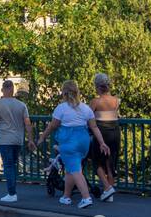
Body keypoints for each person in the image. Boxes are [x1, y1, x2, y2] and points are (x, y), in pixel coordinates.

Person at [38, 80, 110, 209]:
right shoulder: (85, 108)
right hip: (83, 141)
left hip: (68, 141)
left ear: (64, 93)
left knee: (76, 170)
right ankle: (66, 196)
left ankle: (86, 197)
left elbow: (52, 126)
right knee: (71, 168)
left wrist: (42, 137)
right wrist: (102, 143)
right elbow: (94, 127)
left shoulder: (61, 108)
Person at [0, 79, 36, 202]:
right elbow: (27, 123)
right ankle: (12, 190)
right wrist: (30, 140)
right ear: (13, 90)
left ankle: (12, 193)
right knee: (13, 165)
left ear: (3, 90)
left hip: (5, 140)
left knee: (8, 166)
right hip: (18, 140)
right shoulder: (22, 105)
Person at [89, 73, 121, 202]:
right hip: (115, 132)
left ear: (97, 87)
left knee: (96, 160)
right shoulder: (116, 101)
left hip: (101, 132)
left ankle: (107, 188)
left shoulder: (95, 101)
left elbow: (88, 116)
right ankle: (110, 194)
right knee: (110, 162)